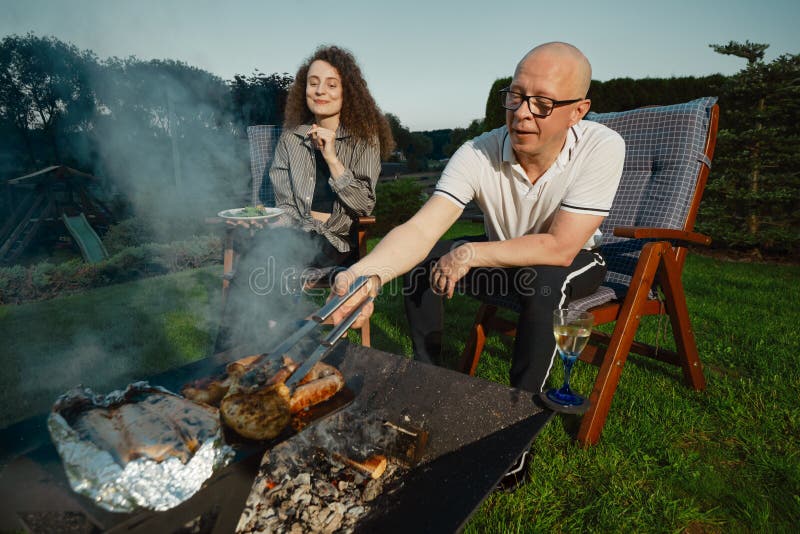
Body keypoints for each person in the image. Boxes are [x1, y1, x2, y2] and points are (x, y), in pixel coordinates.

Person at [331, 41, 625, 394]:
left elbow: (560, 247)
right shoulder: (477, 152)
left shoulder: (601, 146)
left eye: (542, 104)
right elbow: (422, 229)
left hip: (574, 260)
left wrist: (471, 253)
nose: (522, 113)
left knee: (544, 280)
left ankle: (522, 407)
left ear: (577, 111)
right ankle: (427, 375)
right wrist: (361, 276)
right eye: (516, 96)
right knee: (423, 262)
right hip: (501, 258)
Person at [216, 45, 393, 351]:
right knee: (262, 255)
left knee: (265, 260)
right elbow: (285, 205)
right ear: (304, 90)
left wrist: (332, 158)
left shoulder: (364, 140)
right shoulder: (291, 140)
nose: (320, 90)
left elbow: (364, 204)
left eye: (331, 84)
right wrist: (269, 220)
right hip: (294, 234)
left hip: (337, 242)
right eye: (313, 83)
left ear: (348, 92)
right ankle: (234, 355)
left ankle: (264, 345)